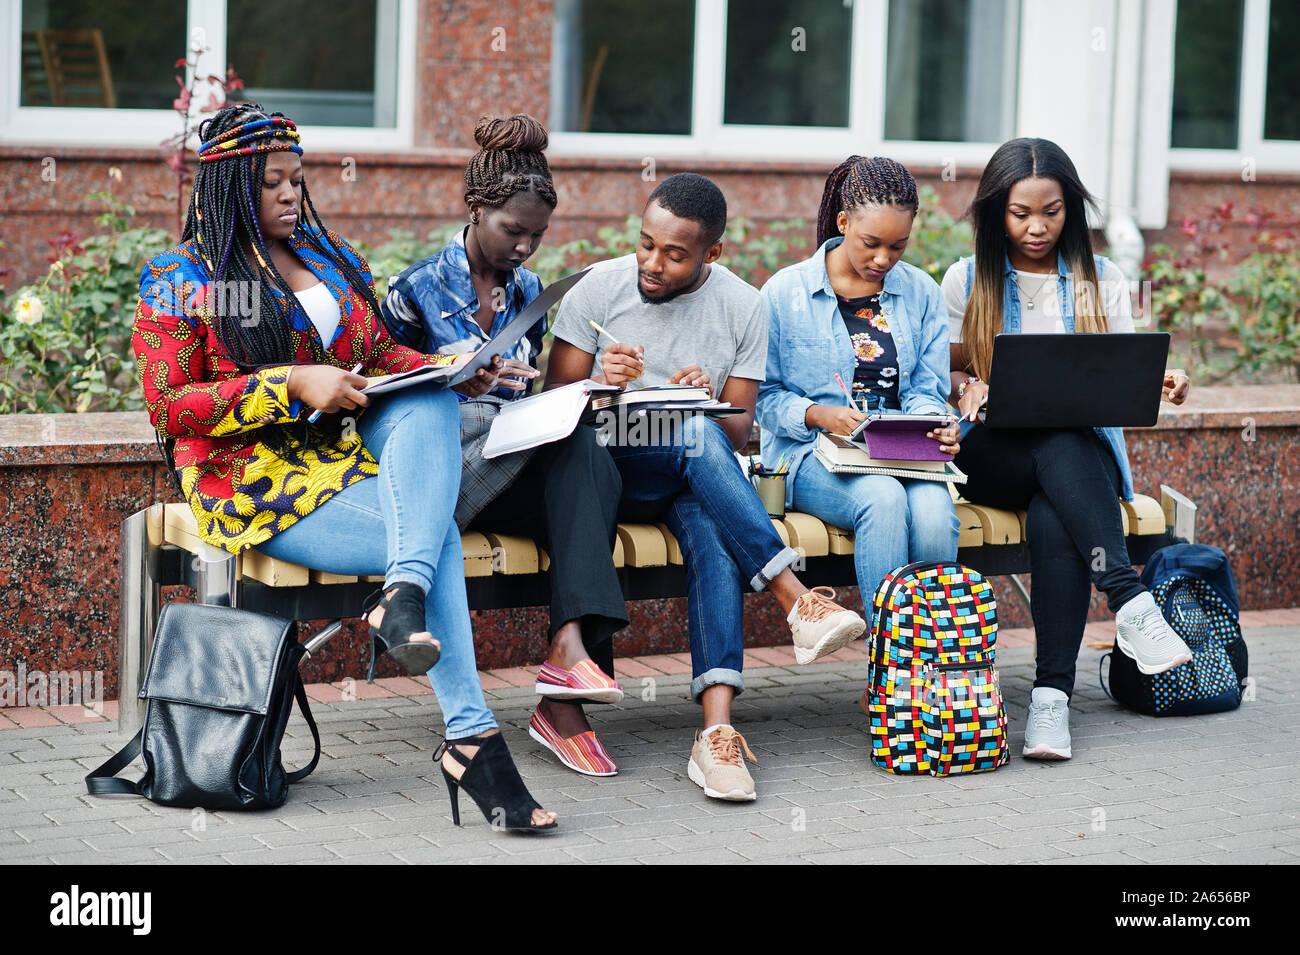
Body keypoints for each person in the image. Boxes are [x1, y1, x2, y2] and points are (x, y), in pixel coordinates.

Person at [132, 102, 555, 831]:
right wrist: (290, 382)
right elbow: (171, 406)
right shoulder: (180, 277)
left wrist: (449, 366)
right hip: (254, 478)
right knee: (434, 539)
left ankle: (406, 604)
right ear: (232, 186)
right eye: (273, 183)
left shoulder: (328, 260)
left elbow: (384, 359)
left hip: (342, 454)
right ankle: (472, 738)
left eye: (298, 180)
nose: (292, 195)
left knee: (429, 401)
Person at [546, 172, 867, 802]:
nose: (652, 264)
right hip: (610, 469)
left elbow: (741, 427)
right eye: (646, 245)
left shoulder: (744, 306)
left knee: (714, 529)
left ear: (711, 254)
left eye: (673, 254)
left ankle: (716, 737)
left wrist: (708, 398)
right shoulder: (599, 289)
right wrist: (603, 385)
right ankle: (794, 595)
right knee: (695, 436)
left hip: (694, 473)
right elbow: (553, 410)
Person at [381, 114, 628, 779]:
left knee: (584, 454)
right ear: (474, 209)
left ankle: (570, 649)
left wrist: (584, 389)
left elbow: (532, 403)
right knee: (581, 464)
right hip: (440, 472)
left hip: (505, 462)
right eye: (511, 231)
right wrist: (455, 375)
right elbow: (376, 398)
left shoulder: (528, 295)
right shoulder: (412, 293)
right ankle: (565, 700)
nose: (524, 247)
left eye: (538, 235)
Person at [942, 137, 1193, 761]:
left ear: (1071, 209)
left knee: (1058, 501)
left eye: (1051, 211)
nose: (1036, 227)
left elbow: (1116, 379)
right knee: (1054, 436)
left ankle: (1051, 704)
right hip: (990, 456)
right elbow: (938, 375)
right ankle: (1130, 601)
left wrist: (1159, 380)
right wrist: (968, 382)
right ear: (996, 211)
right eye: (1020, 213)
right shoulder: (967, 279)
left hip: (1076, 469)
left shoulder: (1096, 282)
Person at [757, 156, 960, 609]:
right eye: (871, 243)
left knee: (932, 514)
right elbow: (762, 398)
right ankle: (890, 662)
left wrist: (935, 424)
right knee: (882, 499)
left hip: (899, 451)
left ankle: (935, 655)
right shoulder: (785, 293)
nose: (883, 259)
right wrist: (816, 413)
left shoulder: (921, 292)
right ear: (844, 222)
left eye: (898, 247)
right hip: (810, 453)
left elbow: (926, 390)